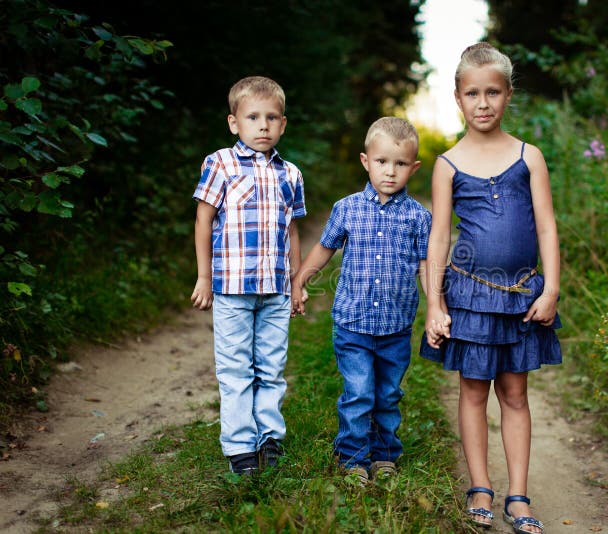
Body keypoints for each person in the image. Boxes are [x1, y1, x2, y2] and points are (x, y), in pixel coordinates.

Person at [422, 43, 562, 534]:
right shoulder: (448, 164)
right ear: (458, 99)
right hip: (469, 296)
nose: (483, 103)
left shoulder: (529, 157)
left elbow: (546, 227)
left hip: (523, 294)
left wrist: (551, 291)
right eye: (473, 93)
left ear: (508, 95)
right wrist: (434, 303)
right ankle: (480, 488)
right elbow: (439, 236)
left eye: (493, 93)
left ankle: (518, 495)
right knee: (473, 391)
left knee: (516, 394)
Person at [292, 117, 431, 485]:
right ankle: (353, 457)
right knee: (358, 393)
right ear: (366, 161)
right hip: (352, 325)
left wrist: (437, 307)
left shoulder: (419, 217)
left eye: (400, 164)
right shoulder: (347, 209)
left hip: (395, 328)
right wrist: (300, 281)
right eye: (382, 161)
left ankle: (384, 454)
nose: (390, 172)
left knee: (387, 393)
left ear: (413, 168)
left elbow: (425, 265)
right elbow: (324, 249)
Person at [191, 76, 306, 476]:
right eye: (253, 117)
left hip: (275, 289)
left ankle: (269, 437)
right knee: (236, 368)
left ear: (283, 124)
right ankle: (240, 446)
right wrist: (204, 276)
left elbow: (292, 230)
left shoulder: (290, 174)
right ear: (233, 122)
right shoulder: (219, 163)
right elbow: (204, 219)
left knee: (270, 367)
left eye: (271, 117)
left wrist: (296, 282)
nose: (262, 125)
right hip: (232, 287)